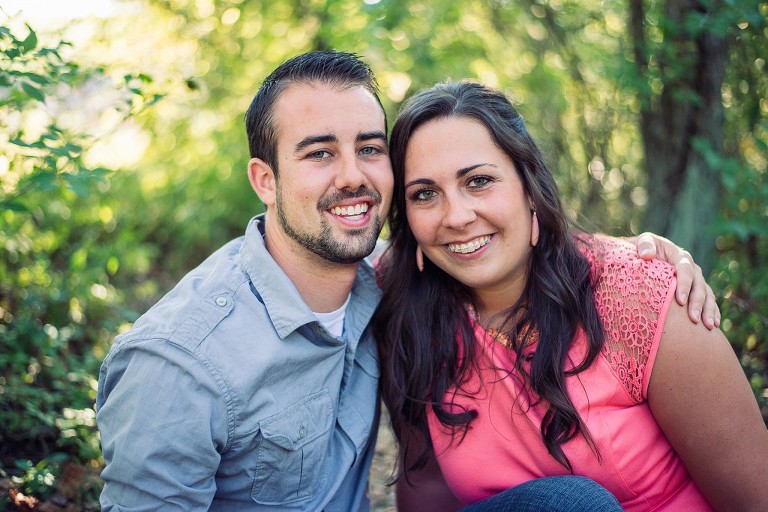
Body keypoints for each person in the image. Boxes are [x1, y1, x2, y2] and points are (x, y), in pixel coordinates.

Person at [96, 51, 719, 511]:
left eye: (369, 148)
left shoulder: (381, 279)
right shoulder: (179, 362)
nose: (353, 176)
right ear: (265, 180)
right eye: (318, 153)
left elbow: (486, 236)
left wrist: (645, 258)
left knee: (567, 505)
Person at [374, 80, 768, 512]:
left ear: (529, 186)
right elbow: (425, 489)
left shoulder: (637, 298)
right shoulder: (402, 303)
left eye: (480, 181)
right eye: (424, 194)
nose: (456, 216)